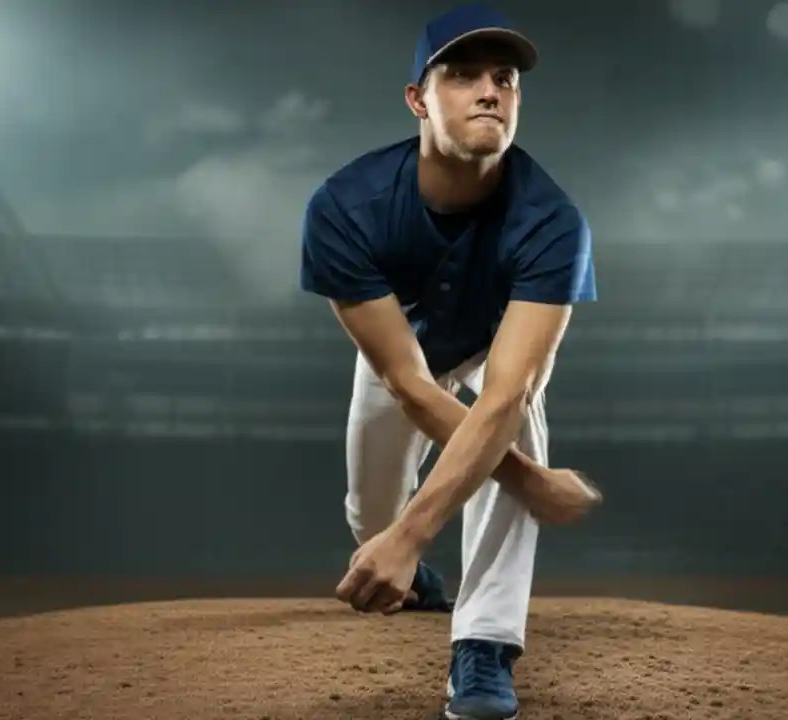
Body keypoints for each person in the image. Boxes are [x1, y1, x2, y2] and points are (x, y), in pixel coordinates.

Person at [298, 4, 600, 718]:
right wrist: (404, 536)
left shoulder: (553, 221)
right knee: (371, 518)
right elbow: (405, 381)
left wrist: (437, 518)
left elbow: (506, 397)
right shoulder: (346, 206)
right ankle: (417, 576)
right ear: (417, 99)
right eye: (462, 75)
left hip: (493, 349)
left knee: (517, 423)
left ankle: (485, 642)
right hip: (405, 353)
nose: (490, 91)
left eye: (505, 78)